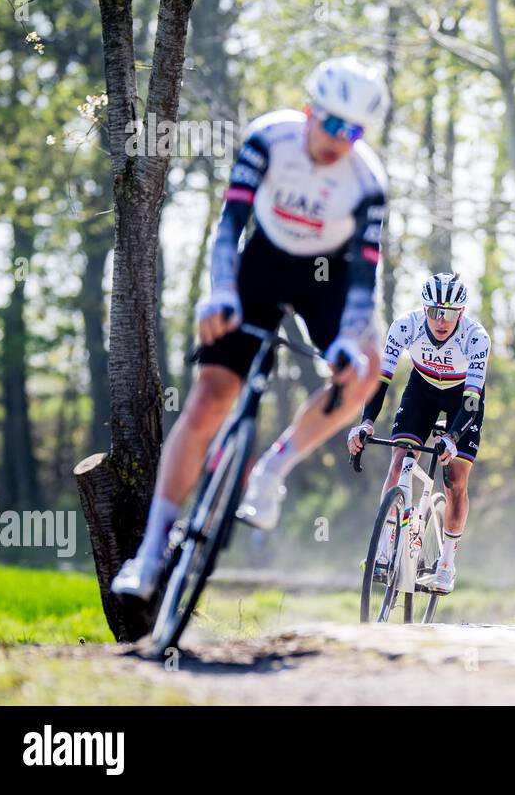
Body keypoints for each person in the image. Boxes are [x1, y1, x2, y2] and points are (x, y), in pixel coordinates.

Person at [112, 56, 391, 601]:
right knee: (211, 398)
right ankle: (149, 555)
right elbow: (229, 227)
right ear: (309, 111)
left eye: (353, 131)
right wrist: (219, 292)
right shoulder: (270, 139)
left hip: (328, 276)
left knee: (367, 371)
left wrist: (345, 341)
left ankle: (271, 469)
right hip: (261, 262)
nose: (339, 139)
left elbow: (364, 278)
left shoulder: (367, 183)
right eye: (331, 122)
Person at [347, 273, 489, 595]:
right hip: (421, 390)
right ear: (424, 309)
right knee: (399, 461)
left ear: (461, 313)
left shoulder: (476, 338)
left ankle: (446, 565)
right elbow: (381, 380)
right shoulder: (404, 326)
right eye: (434, 312)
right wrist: (366, 422)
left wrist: (452, 438)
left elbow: (471, 399)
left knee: (455, 481)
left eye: (450, 313)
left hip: (462, 399)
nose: (441, 320)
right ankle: (385, 549)